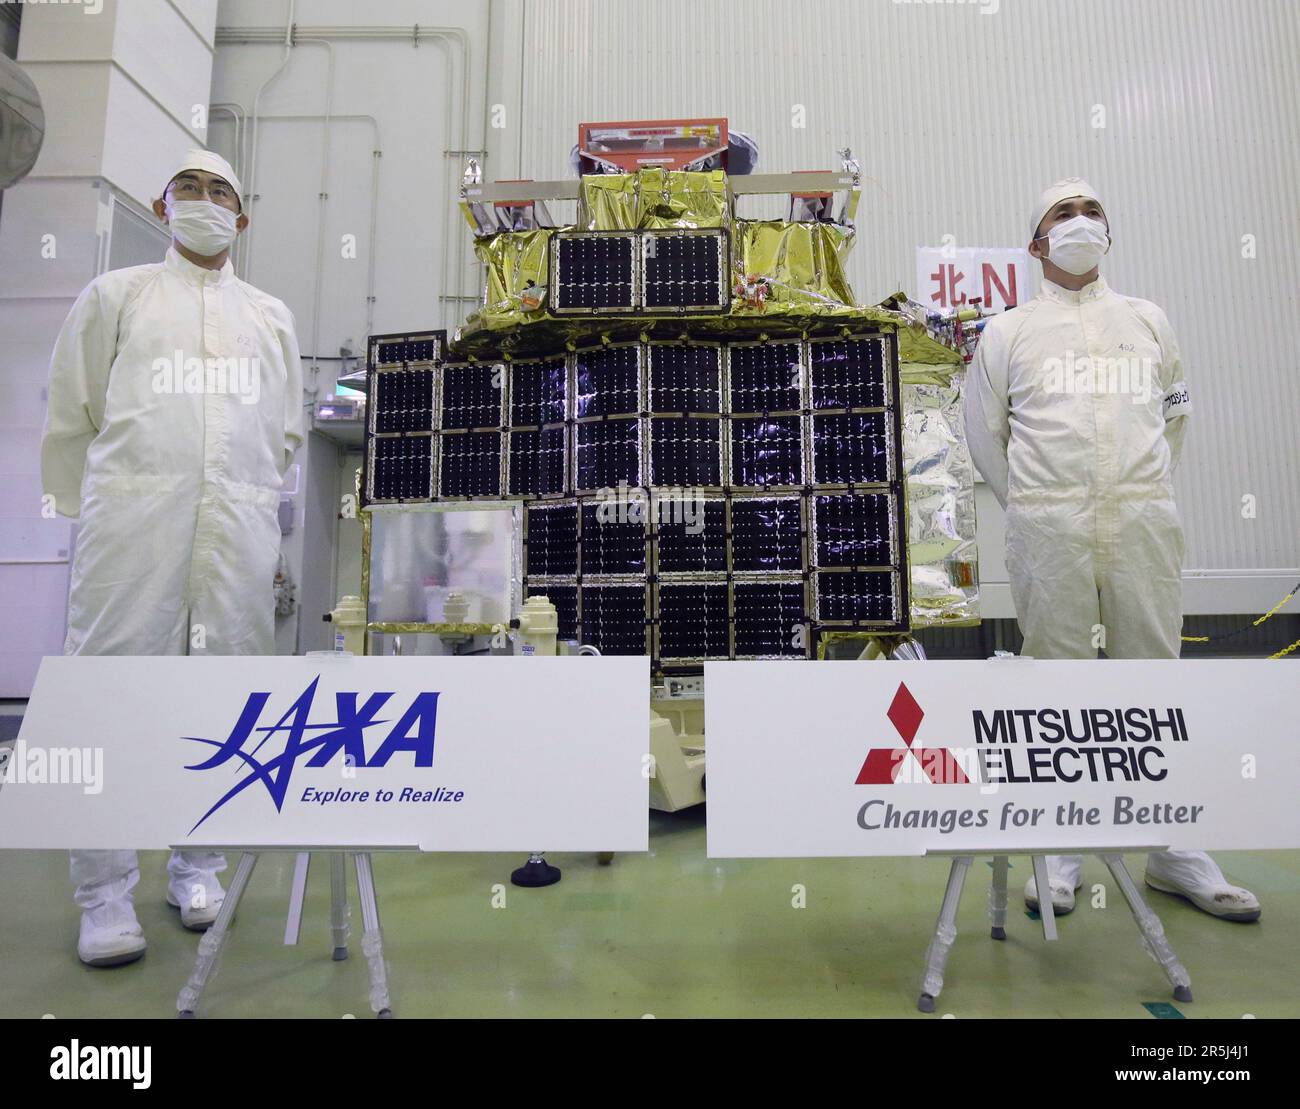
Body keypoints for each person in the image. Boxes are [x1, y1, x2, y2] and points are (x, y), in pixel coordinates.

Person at [963, 178, 1260, 923]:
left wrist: (1137, 494)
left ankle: (1173, 850)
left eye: (1092, 211)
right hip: (1049, 530)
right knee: (1059, 685)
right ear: (1036, 244)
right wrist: (1036, 507)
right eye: (1063, 214)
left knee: (1154, 681)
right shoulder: (1009, 333)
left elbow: (1174, 421)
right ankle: (1059, 853)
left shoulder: (1148, 321)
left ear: (1109, 234)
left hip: (1141, 524)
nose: (1082, 222)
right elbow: (984, 435)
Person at [41, 149, 305, 966]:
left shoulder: (272, 317)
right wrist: (103, 515)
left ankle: (197, 867)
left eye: (217, 189)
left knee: (221, 709)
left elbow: (287, 432)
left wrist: (253, 514)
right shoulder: (116, 297)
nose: (201, 199)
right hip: (132, 537)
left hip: (237, 539)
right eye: (185, 188)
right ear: (163, 208)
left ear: (242, 215)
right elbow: (72, 413)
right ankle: (104, 893)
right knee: (111, 701)